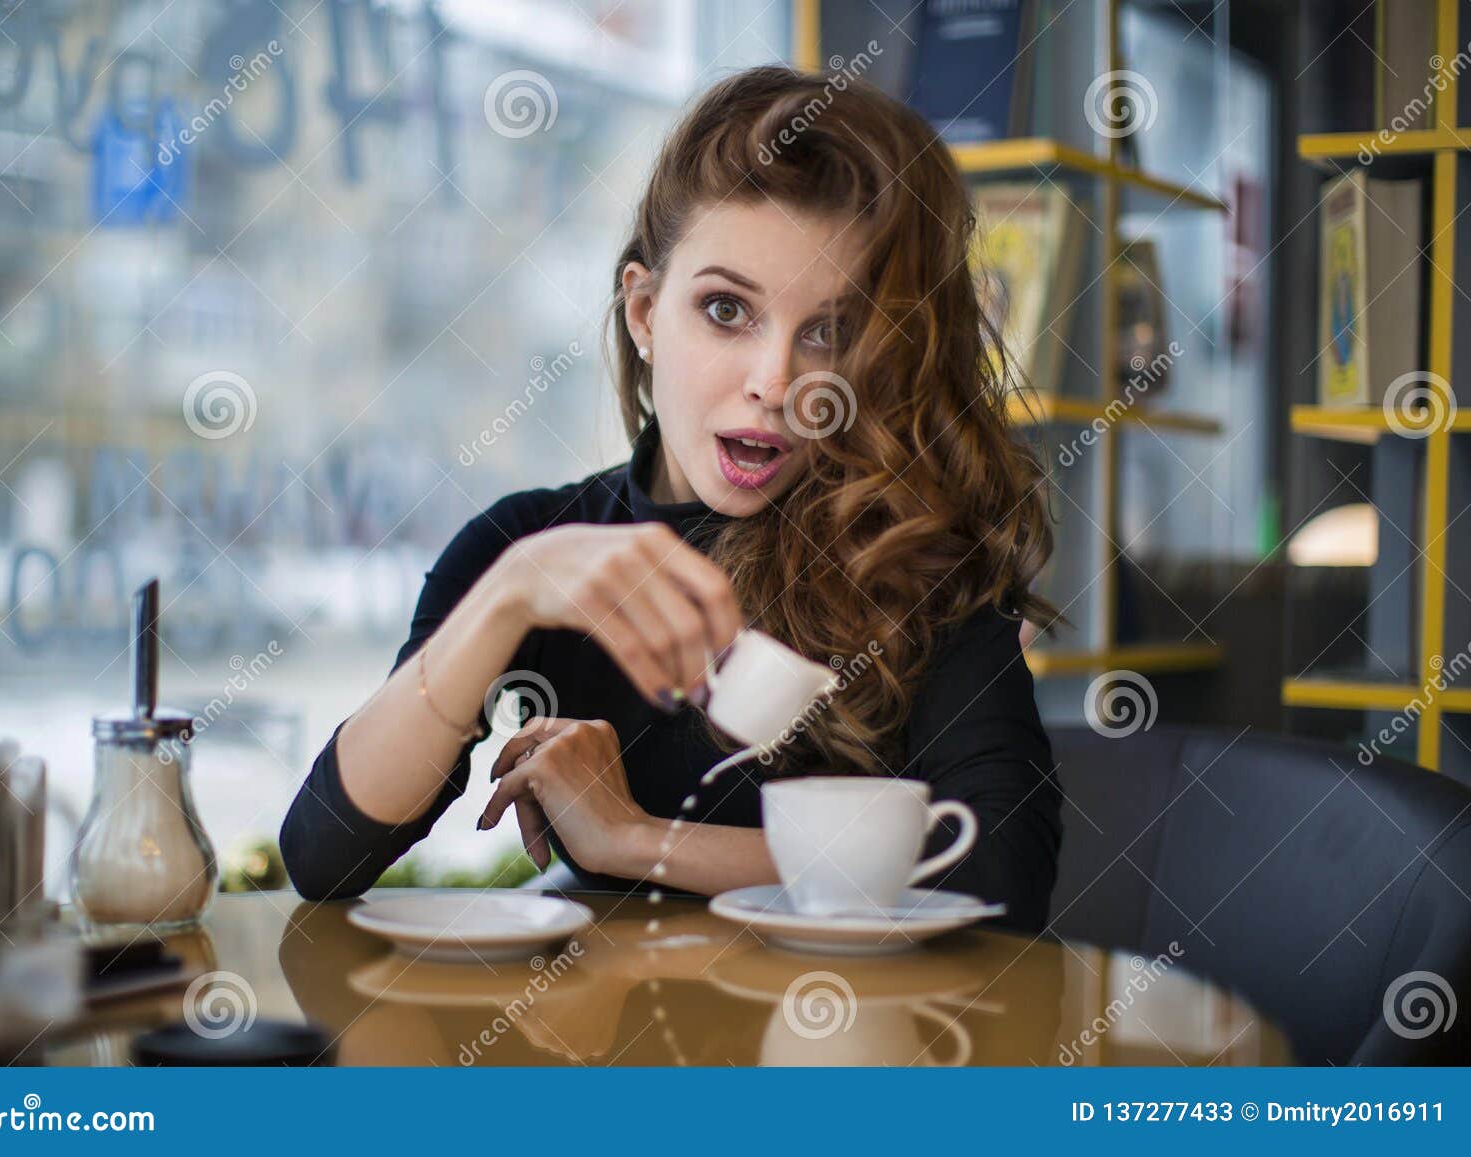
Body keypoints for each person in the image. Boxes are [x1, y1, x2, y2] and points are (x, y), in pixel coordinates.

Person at [280, 65, 1063, 934]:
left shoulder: (916, 551)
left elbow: (999, 877)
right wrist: (511, 593)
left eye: (830, 332)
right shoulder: (529, 541)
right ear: (646, 313)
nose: (777, 383)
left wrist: (636, 839)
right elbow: (323, 854)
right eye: (727, 310)